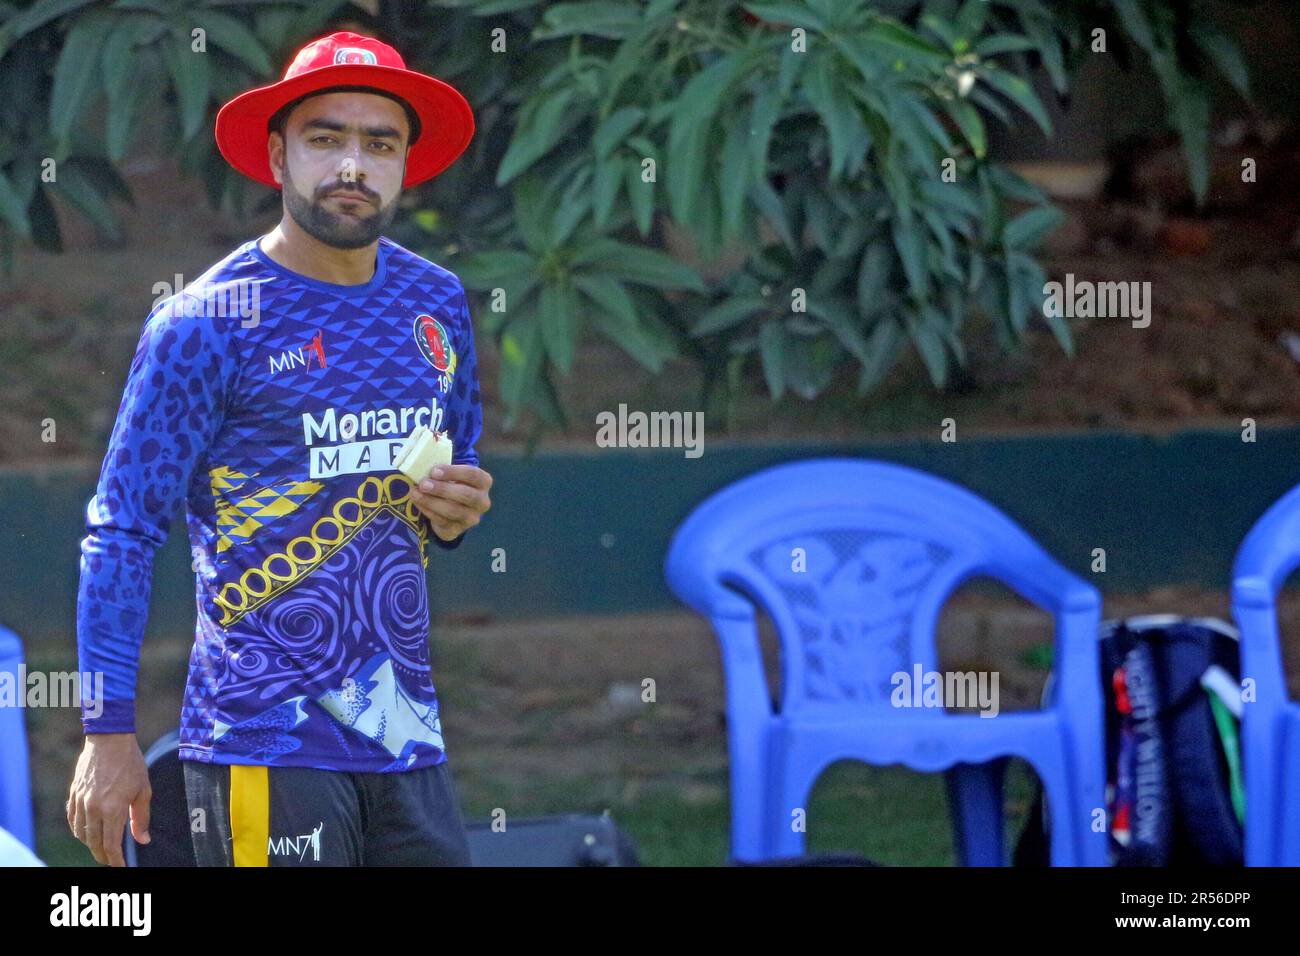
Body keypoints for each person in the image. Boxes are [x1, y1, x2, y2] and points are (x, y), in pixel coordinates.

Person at [68, 30, 491, 866]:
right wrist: (107, 733)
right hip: (263, 738)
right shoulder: (204, 324)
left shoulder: (435, 303)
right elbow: (119, 531)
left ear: (406, 163)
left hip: (406, 737)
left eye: (380, 144)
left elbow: (455, 487)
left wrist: (458, 511)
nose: (352, 166)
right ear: (276, 155)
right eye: (325, 138)